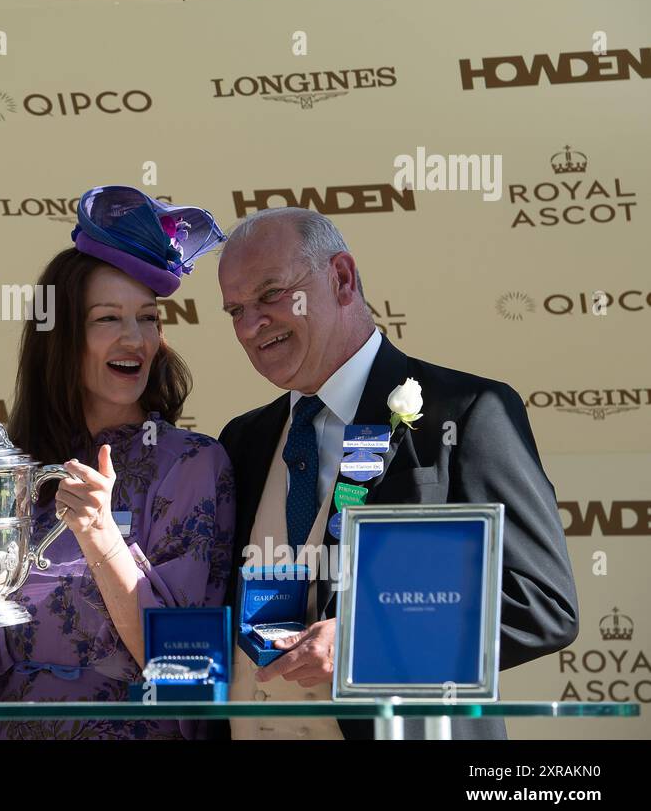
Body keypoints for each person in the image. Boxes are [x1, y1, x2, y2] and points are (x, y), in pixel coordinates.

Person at [0, 185, 235, 739]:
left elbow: (183, 667)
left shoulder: (197, 466)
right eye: (108, 319)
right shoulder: (16, 466)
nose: (136, 339)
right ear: (62, 339)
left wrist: (102, 540)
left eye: (148, 318)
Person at [215, 206, 579, 739]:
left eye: (271, 295)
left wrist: (366, 644)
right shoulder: (241, 441)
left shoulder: (467, 412)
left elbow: (539, 603)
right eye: (235, 311)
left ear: (341, 278)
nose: (251, 326)